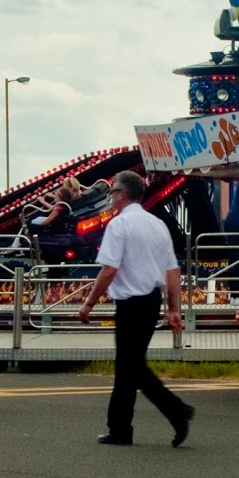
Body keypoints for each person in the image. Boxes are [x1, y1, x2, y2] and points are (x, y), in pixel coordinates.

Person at [76, 171, 194, 447]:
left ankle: (176, 411)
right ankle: (120, 427)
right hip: (151, 300)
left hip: (131, 302)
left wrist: (89, 302)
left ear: (123, 194)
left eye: (113, 190)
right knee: (129, 366)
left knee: (130, 365)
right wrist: (173, 308)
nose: (111, 195)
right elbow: (172, 270)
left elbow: (109, 270)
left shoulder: (120, 225)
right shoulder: (156, 225)